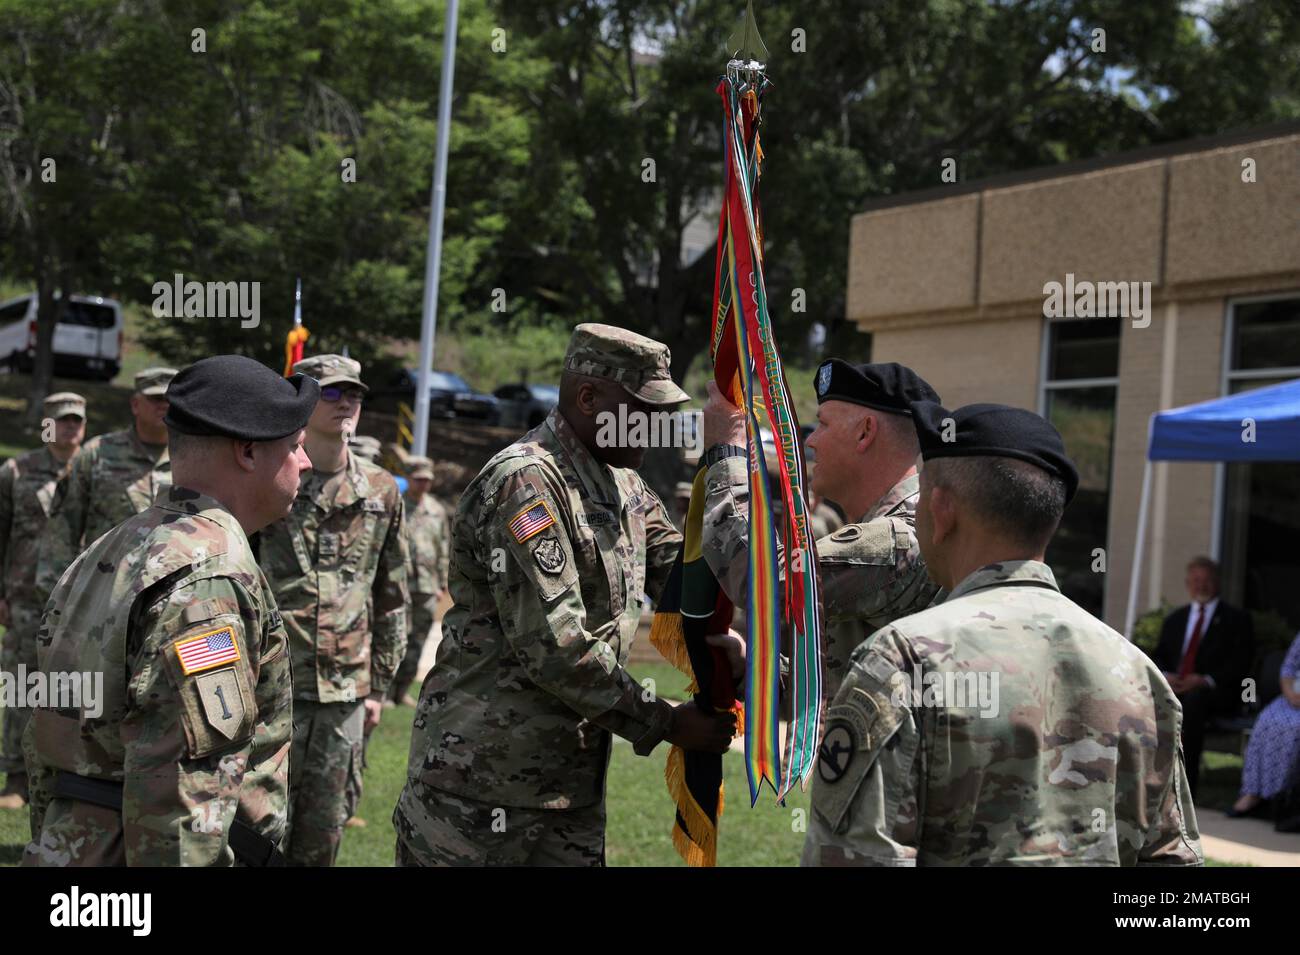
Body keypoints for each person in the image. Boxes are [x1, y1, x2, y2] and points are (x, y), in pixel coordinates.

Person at [394, 323, 736, 867]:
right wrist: (668, 723)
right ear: (587, 398)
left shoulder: (623, 484)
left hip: (568, 790)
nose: (656, 426)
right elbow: (558, 648)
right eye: (642, 410)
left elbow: (690, 578)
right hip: (478, 793)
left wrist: (725, 463)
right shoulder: (526, 482)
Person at [806, 401, 1202, 866]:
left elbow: (854, 856)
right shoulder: (1140, 673)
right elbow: (1173, 860)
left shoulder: (902, 660)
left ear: (941, 509)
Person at [22, 356, 317, 866]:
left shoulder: (114, 546)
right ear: (248, 452)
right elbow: (186, 794)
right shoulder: (211, 582)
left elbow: (45, 741)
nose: (306, 462)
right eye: (294, 446)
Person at [700, 359, 945, 700]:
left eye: (823, 425)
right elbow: (851, 685)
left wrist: (726, 452)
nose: (811, 441)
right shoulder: (898, 526)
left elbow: (760, 582)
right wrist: (753, 667)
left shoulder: (895, 539)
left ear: (865, 432)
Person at [255, 353, 409, 867]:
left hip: (345, 694)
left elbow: (392, 598)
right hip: (271, 690)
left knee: (325, 832)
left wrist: (379, 689)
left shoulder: (382, 491)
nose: (347, 403)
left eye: (356, 394)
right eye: (331, 393)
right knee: (257, 828)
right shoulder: (269, 484)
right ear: (301, 401)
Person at [0, 392, 86, 810]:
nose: (70, 427)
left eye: (76, 421)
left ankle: (64, 777)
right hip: (24, 597)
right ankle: (15, 776)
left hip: (78, 601)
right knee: (19, 687)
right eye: (62, 420)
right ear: (46, 425)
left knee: (70, 690)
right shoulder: (17, 471)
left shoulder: (95, 470)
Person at [36, 367, 177, 599]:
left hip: (170, 595)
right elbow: (62, 529)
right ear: (135, 404)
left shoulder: (193, 457)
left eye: (169, 399)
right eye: (155, 398)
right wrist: (57, 596)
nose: (163, 405)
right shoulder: (98, 453)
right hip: (103, 596)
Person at [1152, 556, 1255, 795]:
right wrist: (1167, 676)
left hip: (1214, 693)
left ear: (1217, 583)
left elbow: (1241, 663)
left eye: (1207, 580)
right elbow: (1159, 656)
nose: (1202, 585)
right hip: (1175, 687)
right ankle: (1149, 777)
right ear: (1188, 583)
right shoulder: (1175, 619)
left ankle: (1186, 785)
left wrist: (1205, 679)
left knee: (1193, 702)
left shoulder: (1236, 620)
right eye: (1196, 580)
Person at [389, 455, 451, 708]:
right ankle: (385, 692)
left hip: (427, 586)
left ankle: (402, 690)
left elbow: (444, 547)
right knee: (395, 637)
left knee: (418, 641)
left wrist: (442, 583)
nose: (423, 485)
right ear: (408, 478)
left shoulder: (436, 510)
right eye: (418, 480)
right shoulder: (397, 506)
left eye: (427, 480)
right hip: (398, 584)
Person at [1229, 633, 1300, 818]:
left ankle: (1282, 796)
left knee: (1294, 727)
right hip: (1292, 698)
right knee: (1267, 721)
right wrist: (1291, 694)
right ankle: (1252, 792)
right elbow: (1288, 669)